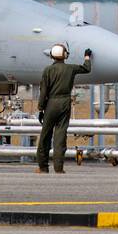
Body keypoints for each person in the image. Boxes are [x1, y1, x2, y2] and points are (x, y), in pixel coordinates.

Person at [36, 43, 92, 173]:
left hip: (50, 104)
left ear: (52, 56)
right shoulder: (70, 69)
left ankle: (43, 167)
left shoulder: (47, 70)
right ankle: (59, 168)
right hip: (64, 102)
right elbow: (86, 69)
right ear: (65, 55)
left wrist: (40, 108)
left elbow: (43, 91)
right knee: (60, 135)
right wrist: (87, 57)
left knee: (45, 135)